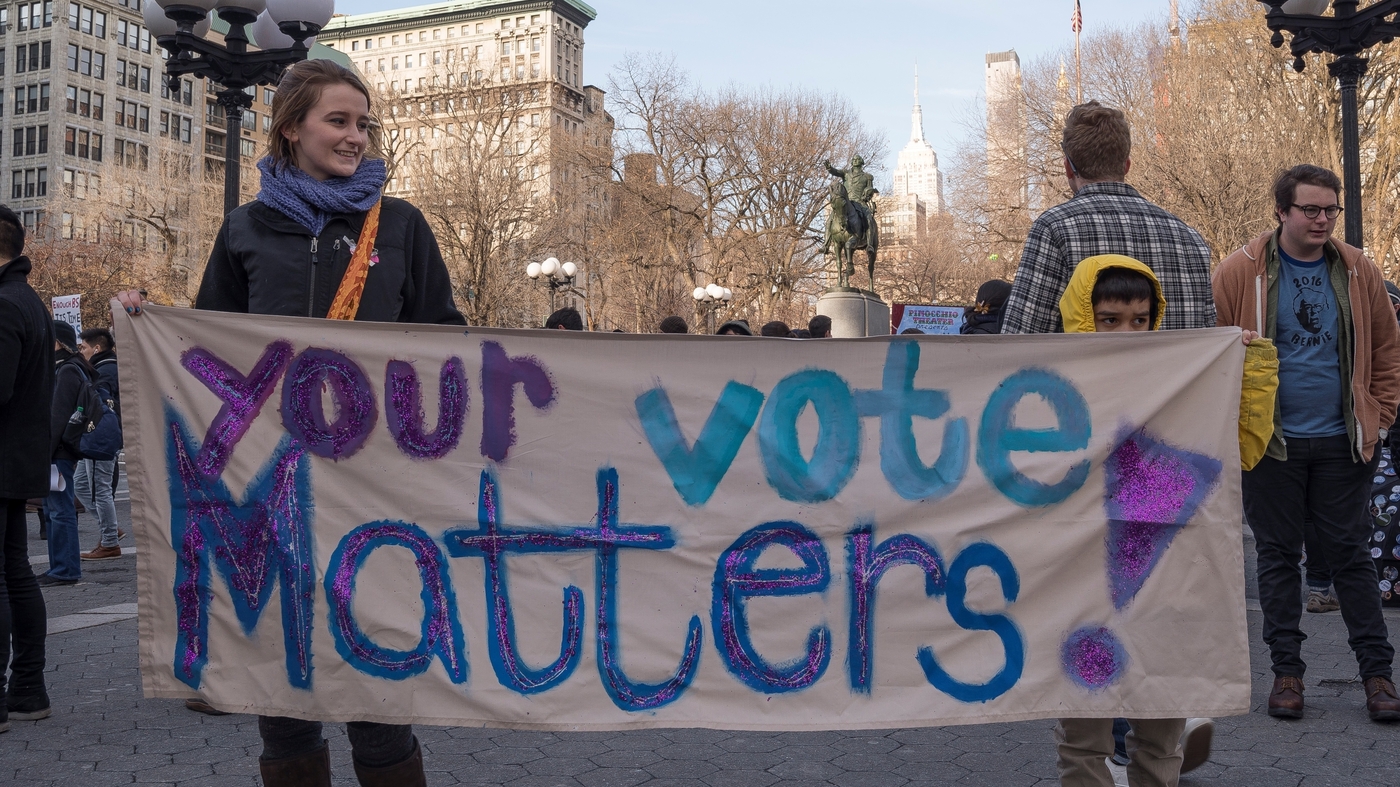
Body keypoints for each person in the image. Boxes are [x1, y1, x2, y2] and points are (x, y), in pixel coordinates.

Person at [121, 58, 462, 786]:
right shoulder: (244, 229)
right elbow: (206, 348)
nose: (355, 137)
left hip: (375, 495)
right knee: (282, 697)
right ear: (290, 128)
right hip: (267, 495)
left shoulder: (399, 225)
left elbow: (446, 343)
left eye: (364, 124)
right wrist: (143, 322)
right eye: (338, 121)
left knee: (377, 695)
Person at [1056, 254, 1253, 786]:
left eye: (1140, 319)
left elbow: (1245, 449)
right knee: (1083, 736)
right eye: (1110, 319)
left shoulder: (1178, 382)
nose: (1127, 331)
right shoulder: (1054, 387)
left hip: (1168, 582)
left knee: (1162, 729)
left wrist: (1248, 372)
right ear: (1082, 316)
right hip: (1080, 588)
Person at [1214, 164, 1400, 722]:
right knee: (1276, 557)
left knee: (1350, 556)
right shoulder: (1238, 272)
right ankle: (1287, 675)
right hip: (1273, 444)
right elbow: (1214, 349)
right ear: (1282, 211)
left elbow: (1387, 351)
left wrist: (1380, 417)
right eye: (1310, 210)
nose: (1322, 220)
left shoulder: (1357, 269)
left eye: (1330, 210)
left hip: (1344, 442)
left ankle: (1378, 677)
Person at [1001, 101, 1216, 335]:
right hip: (1178, 372)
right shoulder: (1191, 239)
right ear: (1126, 166)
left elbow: (1020, 340)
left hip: (1086, 373)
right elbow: (1209, 339)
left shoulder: (1054, 229)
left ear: (1068, 168)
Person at [0, 203, 53, 731]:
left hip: (4, 459)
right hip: (17, 461)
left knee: (8, 576)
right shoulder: (27, 301)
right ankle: (29, 688)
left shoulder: (4, 304)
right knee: (15, 572)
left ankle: (16, 691)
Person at [39, 319, 91, 587]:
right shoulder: (66, 368)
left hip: (57, 454)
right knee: (52, 509)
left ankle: (65, 569)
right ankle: (58, 567)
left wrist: (43, 453)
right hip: (57, 453)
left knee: (59, 510)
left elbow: (57, 417)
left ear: (58, 341)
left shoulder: (67, 370)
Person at [76, 327, 122, 561]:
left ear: (96, 348)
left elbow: (101, 403)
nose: (80, 351)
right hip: (100, 435)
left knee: (99, 490)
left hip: (100, 436)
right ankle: (111, 529)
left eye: (82, 347)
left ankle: (110, 542)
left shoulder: (105, 370)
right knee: (81, 485)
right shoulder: (104, 367)